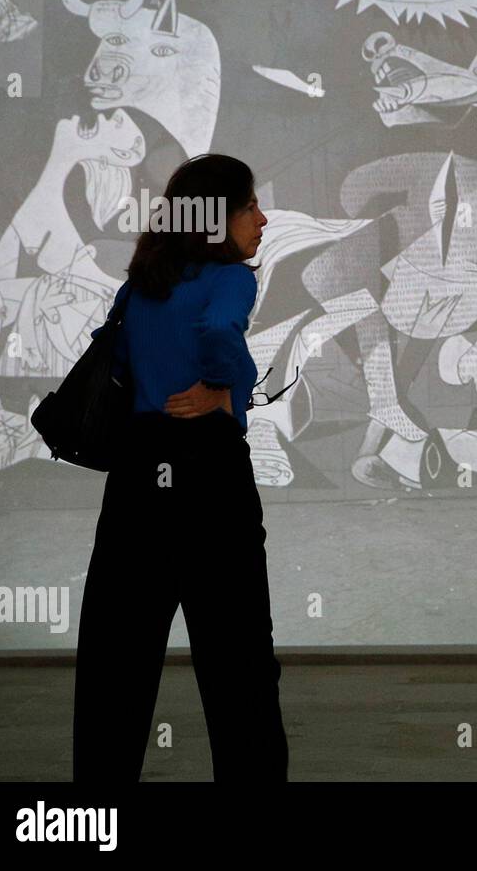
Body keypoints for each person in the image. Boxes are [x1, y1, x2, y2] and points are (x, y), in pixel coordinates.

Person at [73, 153, 290, 781]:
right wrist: (230, 390)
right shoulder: (231, 280)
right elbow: (222, 328)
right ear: (217, 218)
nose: (263, 218)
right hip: (208, 472)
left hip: (138, 473)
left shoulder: (144, 281)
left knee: (116, 661)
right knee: (237, 660)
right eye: (250, 206)